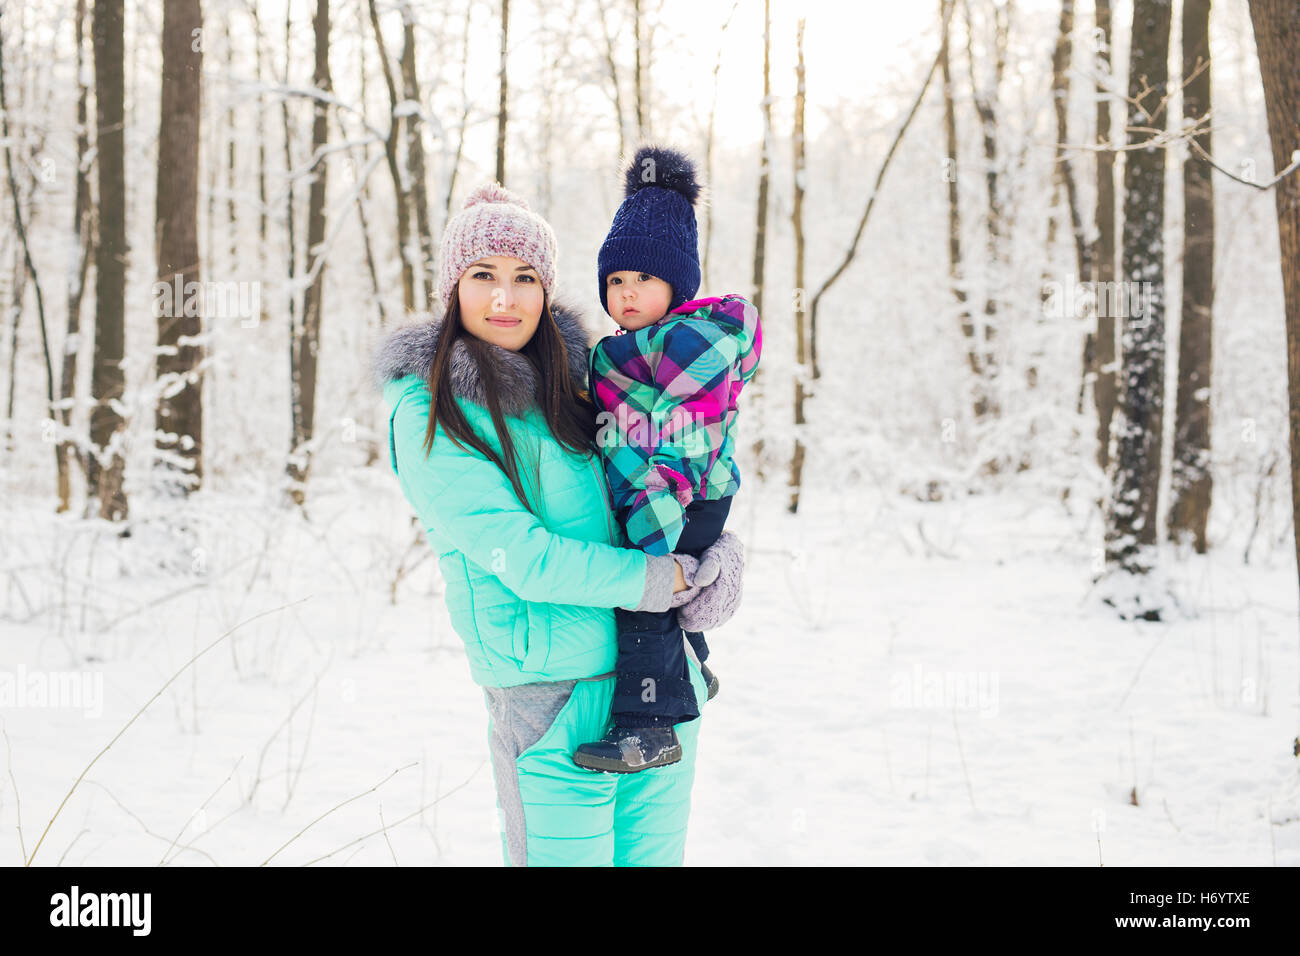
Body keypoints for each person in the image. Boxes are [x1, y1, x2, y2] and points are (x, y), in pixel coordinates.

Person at [370, 182, 744, 866]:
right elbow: (526, 557)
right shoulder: (431, 411)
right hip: (552, 706)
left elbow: (663, 479)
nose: (505, 298)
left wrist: (717, 557)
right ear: (453, 288)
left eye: (525, 278)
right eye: (483, 276)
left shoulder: (581, 387)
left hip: (660, 688)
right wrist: (664, 580)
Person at [572, 146, 761, 774]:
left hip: (683, 491)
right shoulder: (623, 347)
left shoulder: (692, 338)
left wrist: (664, 501)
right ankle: (696, 672)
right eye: (616, 282)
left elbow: (691, 426)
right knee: (658, 594)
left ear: (676, 284)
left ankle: (649, 727)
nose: (626, 294)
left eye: (643, 281)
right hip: (647, 488)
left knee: (645, 601)